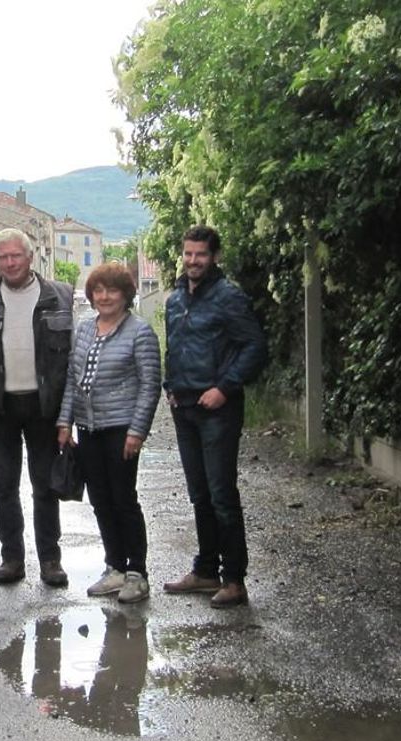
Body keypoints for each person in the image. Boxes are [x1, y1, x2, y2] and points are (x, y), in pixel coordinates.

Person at [161, 225, 267, 608]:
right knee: (199, 494)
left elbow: (254, 347)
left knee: (222, 494)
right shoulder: (175, 298)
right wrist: (168, 385)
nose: (193, 261)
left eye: (200, 255)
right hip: (184, 407)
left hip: (218, 409)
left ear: (215, 257)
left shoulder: (229, 297)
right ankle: (206, 570)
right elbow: (175, 346)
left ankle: (234, 580)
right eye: (188, 254)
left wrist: (224, 387)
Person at [0, 228, 73, 587]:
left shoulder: (60, 296)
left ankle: (50, 559)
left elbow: (71, 359)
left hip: (44, 406)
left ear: (30, 257)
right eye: (3, 257)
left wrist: (67, 415)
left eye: (16, 256)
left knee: (45, 485)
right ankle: (12, 558)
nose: (10, 263)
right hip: (1, 406)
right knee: (4, 486)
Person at [56, 263, 161, 604]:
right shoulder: (86, 330)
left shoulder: (140, 332)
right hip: (89, 429)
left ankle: (137, 573)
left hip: (121, 429)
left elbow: (149, 387)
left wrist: (137, 431)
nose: (104, 297)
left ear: (125, 294)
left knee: (123, 500)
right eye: (98, 291)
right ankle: (114, 567)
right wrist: (64, 422)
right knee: (100, 500)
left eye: (111, 290)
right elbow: (73, 379)